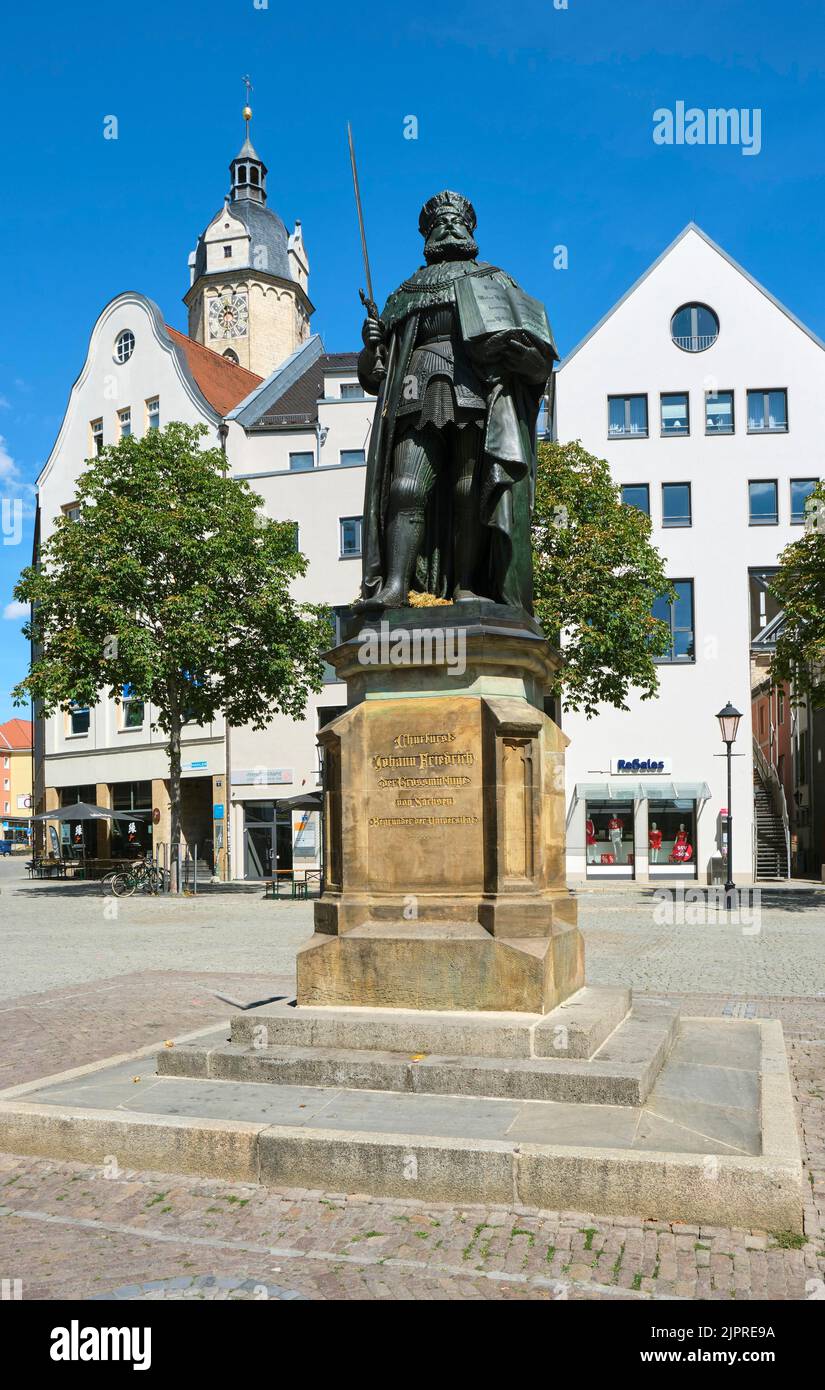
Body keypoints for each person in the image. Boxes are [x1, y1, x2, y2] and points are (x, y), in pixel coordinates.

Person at [356, 190, 557, 611]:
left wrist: (526, 357)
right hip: (416, 392)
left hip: (475, 391)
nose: (449, 226)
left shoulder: (494, 280)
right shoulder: (402, 294)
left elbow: (538, 362)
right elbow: (378, 377)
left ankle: (467, 584)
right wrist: (370, 347)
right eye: (439, 222)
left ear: (470, 228)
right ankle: (394, 587)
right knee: (406, 486)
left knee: (470, 490)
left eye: (456, 220)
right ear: (426, 234)